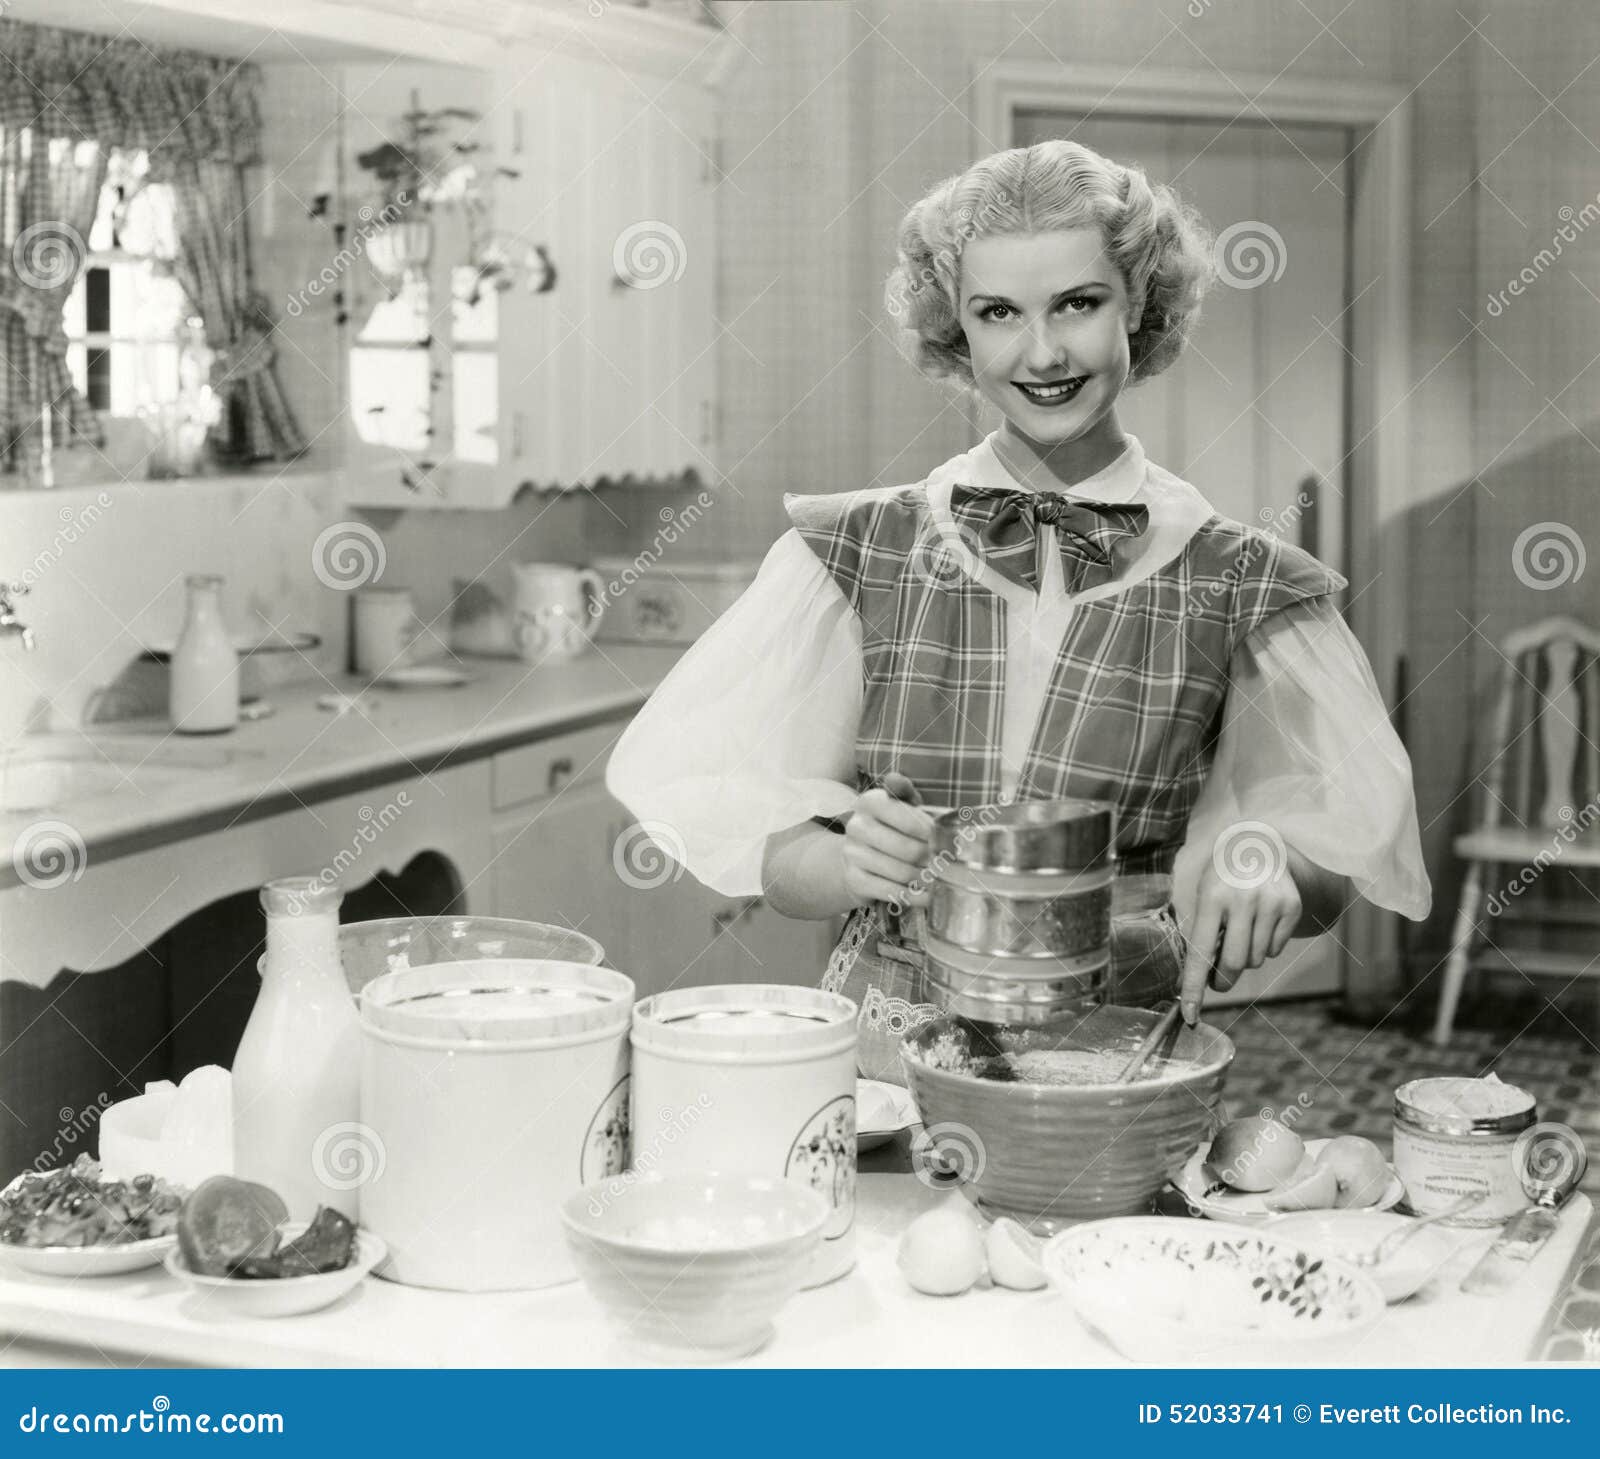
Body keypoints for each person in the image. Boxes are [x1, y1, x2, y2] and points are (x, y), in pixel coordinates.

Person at [607, 139, 1430, 1081]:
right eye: (998, 313)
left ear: (1142, 306)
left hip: (1117, 1066)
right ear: (954, 329)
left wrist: (1261, 861)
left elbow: (1331, 865)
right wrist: (846, 865)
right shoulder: (855, 553)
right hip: (880, 1066)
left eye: (1078, 303)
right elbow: (779, 855)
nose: (1040, 353)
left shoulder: (1242, 578)